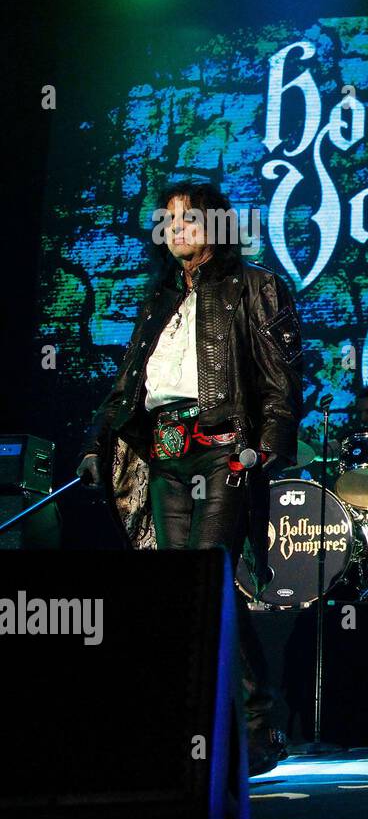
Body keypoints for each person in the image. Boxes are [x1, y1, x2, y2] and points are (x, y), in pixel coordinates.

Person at [77, 180, 304, 777]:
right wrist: (97, 444)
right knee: (183, 594)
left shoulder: (256, 287)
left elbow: (282, 384)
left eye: (190, 219)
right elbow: (129, 384)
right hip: (164, 451)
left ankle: (253, 727)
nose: (178, 229)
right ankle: (216, 728)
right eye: (170, 221)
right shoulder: (157, 300)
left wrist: (266, 450)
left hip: (223, 450)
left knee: (210, 579)